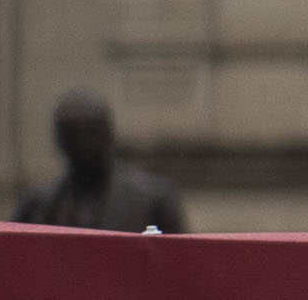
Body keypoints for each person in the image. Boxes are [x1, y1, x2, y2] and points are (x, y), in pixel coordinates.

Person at [13, 89, 187, 232]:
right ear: (59, 140)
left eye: (92, 132)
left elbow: (182, 262)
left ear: (109, 134)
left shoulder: (154, 200)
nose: (83, 144)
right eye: (72, 135)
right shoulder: (36, 205)